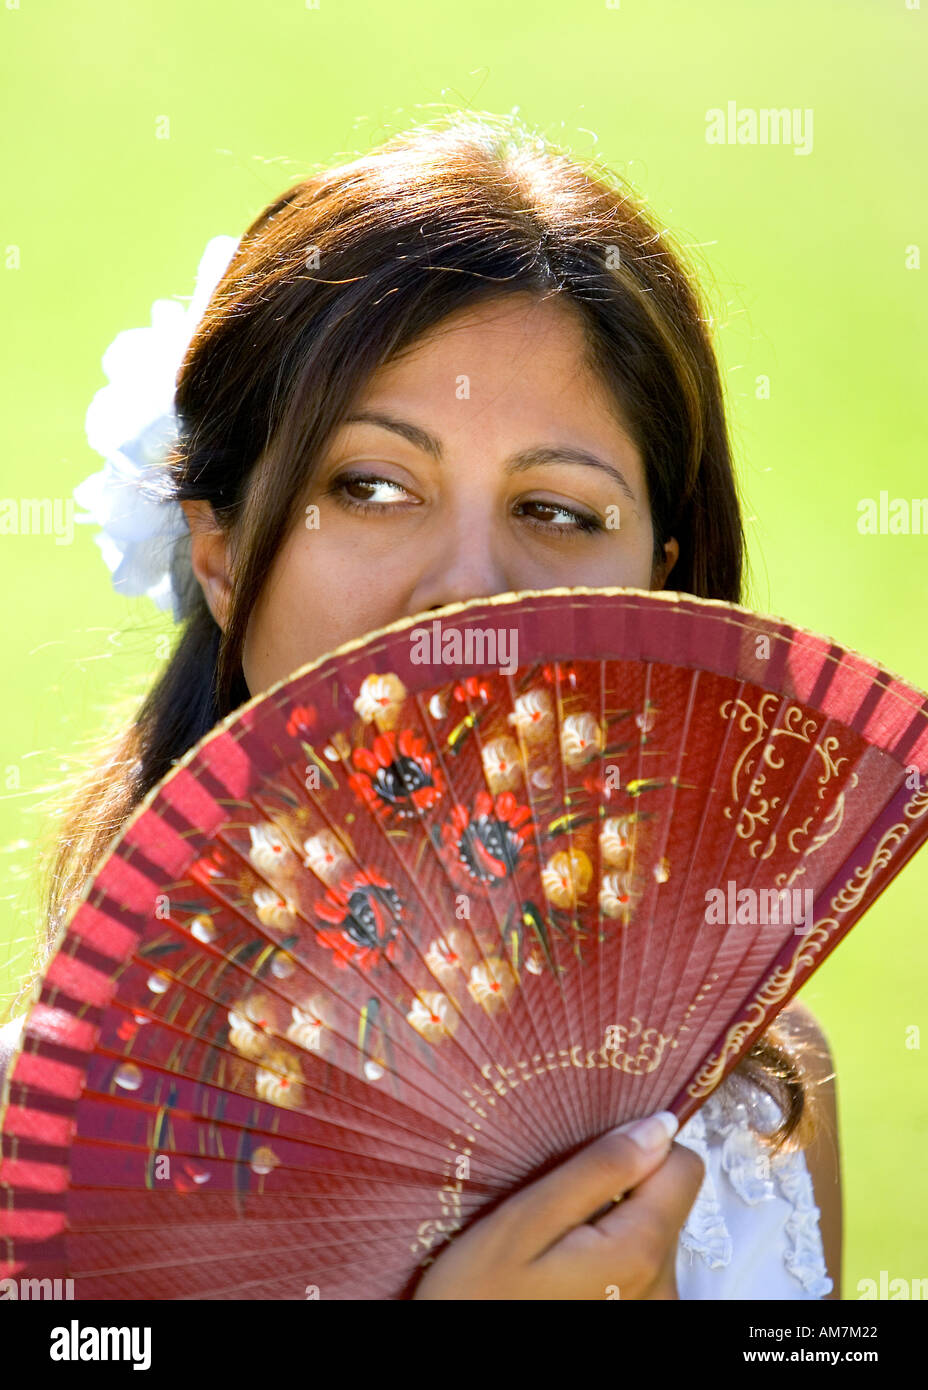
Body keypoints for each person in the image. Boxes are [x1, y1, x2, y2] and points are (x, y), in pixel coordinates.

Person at [0, 111, 840, 1299]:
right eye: (373, 485)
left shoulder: (756, 1102)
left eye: (556, 511)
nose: (467, 592)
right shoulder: (32, 1154)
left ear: (661, 589)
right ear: (224, 552)